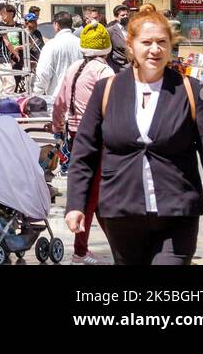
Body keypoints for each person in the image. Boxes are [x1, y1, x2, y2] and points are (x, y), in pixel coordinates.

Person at [65, 5, 203, 265]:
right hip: (121, 212)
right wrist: (75, 204)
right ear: (131, 45)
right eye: (147, 42)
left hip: (177, 212)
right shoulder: (107, 90)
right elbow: (84, 152)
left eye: (162, 42)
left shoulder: (190, 90)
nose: (155, 50)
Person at [51, 22, 116, 264]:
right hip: (98, 140)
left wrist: (57, 129)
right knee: (92, 196)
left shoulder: (74, 68)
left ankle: (122, 248)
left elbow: (59, 103)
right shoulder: (104, 72)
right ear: (107, 50)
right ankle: (80, 250)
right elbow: (114, 109)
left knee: (95, 195)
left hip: (75, 137)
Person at [34, 11, 82, 100]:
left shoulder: (51, 45)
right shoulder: (81, 44)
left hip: (57, 97)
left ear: (56, 25)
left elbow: (43, 73)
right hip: (78, 96)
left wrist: (37, 93)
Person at [107, 4, 131, 73]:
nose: (125, 17)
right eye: (123, 15)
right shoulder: (110, 31)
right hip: (118, 68)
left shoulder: (132, 28)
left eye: (127, 14)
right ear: (116, 17)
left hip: (132, 66)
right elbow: (109, 52)